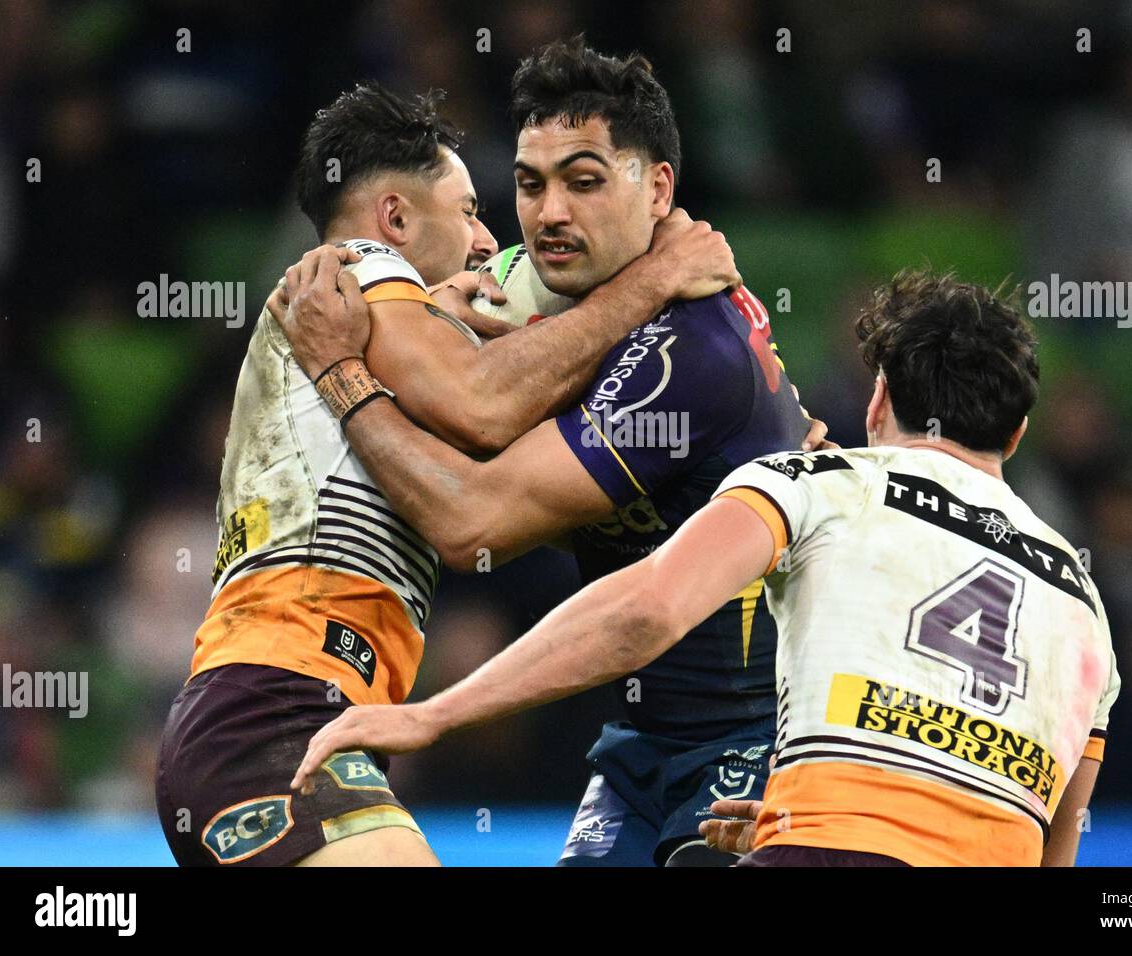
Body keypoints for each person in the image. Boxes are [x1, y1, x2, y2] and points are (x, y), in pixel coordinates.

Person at [292, 270, 1121, 868]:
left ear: (876, 404)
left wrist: (434, 714)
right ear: (1015, 436)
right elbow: (1057, 837)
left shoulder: (824, 482)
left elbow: (649, 608)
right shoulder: (1084, 602)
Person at [155, 80, 740, 867]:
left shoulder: (379, 325)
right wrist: (653, 281)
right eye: (467, 210)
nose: (483, 239)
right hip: (274, 713)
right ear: (395, 219)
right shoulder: (349, 269)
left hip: (286, 715)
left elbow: (508, 479)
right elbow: (483, 409)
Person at [273, 38, 825, 866]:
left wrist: (341, 373)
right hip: (638, 749)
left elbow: (474, 523)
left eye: (585, 180)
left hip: (755, 740)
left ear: (659, 188)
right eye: (531, 184)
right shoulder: (537, 280)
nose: (550, 213)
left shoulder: (693, 351)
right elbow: (446, 328)